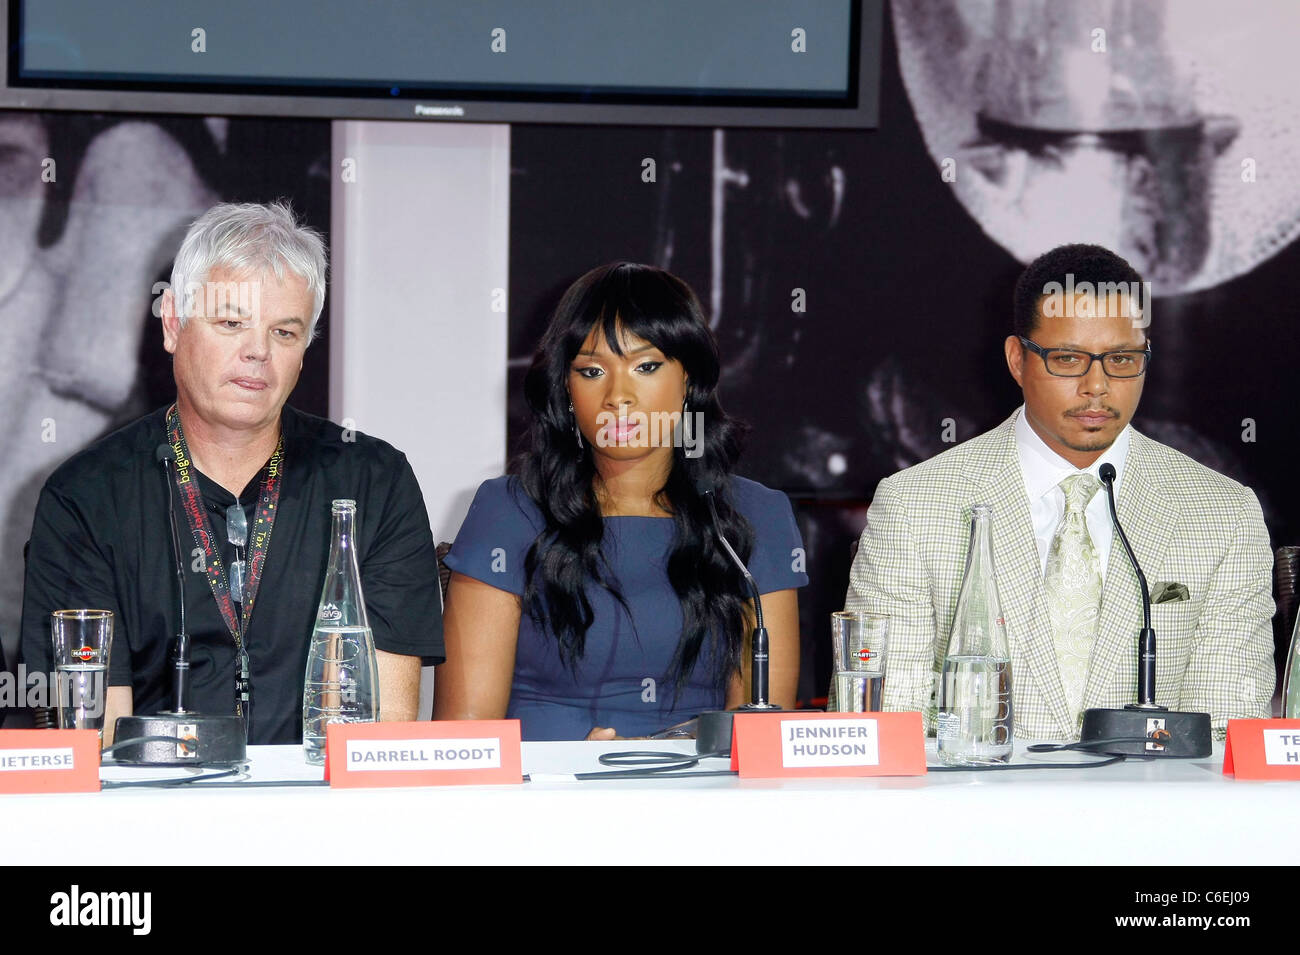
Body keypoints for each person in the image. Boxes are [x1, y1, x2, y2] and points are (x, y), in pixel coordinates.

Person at [20, 202, 443, 744]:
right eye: (231, 323)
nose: (257, 353)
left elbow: (382, 735)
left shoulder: (373, 482)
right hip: (149, 814)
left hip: (325, 814)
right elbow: (91, 746)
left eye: (284, 334)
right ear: (173, 323)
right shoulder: (86, 497)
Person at [846, 244, 1274, 739]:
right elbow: (886, 729)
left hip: (1155, 812)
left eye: (1122, 359)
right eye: (1068, 359)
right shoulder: (915, 505)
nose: (1097, 386)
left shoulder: (1223, 513)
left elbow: (1223, 733)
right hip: (973, 809)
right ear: (1016, 360)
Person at [434, 262, 807, 740]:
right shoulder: (508, 510)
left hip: (704, 802)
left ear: (688, 379)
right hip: (542, 799)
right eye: (591, 371)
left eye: (646, 366)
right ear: (566, 391)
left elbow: (762, 732)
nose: (618, 396)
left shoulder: (754, 517)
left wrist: (653, 756)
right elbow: (466, 736)